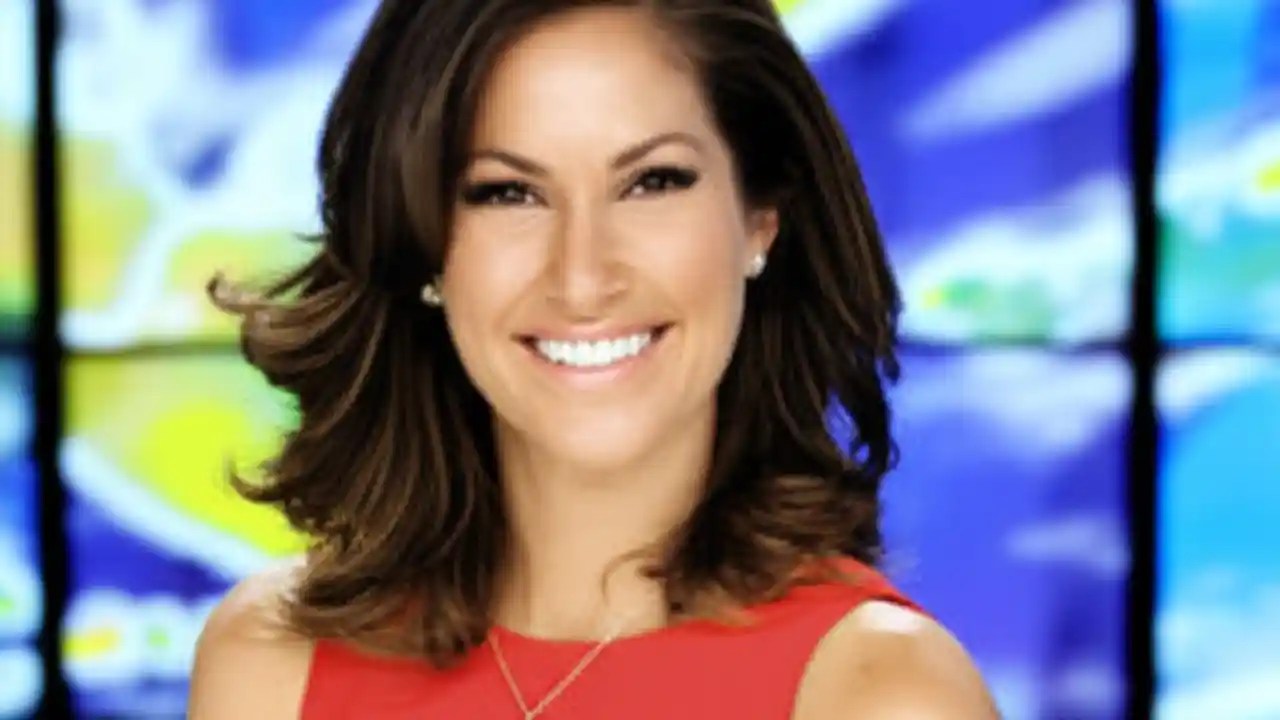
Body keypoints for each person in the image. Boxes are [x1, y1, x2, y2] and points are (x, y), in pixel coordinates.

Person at [189, 0, 998, 717]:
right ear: (424, 244)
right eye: (507, 192)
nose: (583, 277)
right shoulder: (269, 667)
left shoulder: (884, 694)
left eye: (652, 182)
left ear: (760, 217)